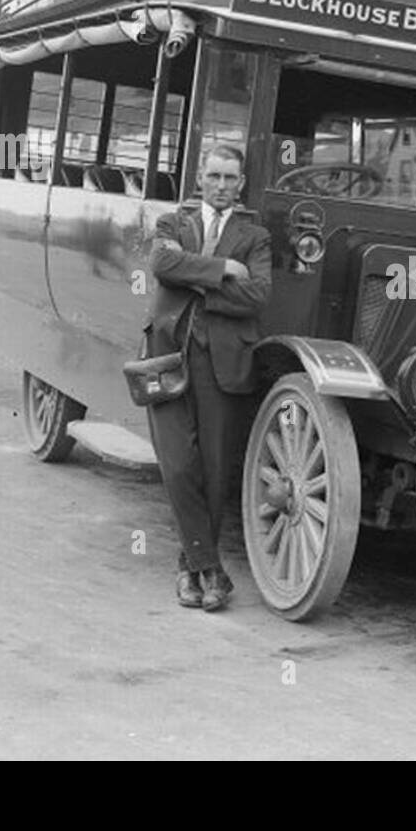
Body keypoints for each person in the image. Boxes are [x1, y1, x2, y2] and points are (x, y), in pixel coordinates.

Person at [146, 147, 272, 610]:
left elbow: (257, 296)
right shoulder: (171, 225)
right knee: (178, 463)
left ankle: (190, 568)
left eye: (230, 178)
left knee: (215, 468)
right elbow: (162, 265)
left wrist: (192, 276)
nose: (221, 185)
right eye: (214, 176)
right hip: (168, 355)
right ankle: (211, 568)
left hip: (222, 361)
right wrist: (221, 271)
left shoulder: (255, 236)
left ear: (241, 184)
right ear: (200, 178)